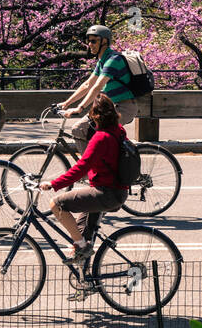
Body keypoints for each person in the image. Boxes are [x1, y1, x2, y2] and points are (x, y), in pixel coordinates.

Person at [40, 92, 128, 260]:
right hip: (116, 191)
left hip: (105, 193)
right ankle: (86, 274)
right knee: (79, 235)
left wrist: (53, 184)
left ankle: (82, 247)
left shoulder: (100, 138)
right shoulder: (119, 130)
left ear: (95, 116)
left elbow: (80, 168)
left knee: (57, 204)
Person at [58, 24, 137, 156]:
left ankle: (99, 169)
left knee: (96, 136)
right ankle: (91, 168)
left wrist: (80, 108)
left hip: (123, 107)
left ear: (104, 41)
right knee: (78, 130)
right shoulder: (102, 60)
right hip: (110, 108)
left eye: (94, 41)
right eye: (88, 41)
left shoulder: (113, 60)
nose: (90, 44)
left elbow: (97, 87)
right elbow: (88, 84)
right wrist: (66, 103)